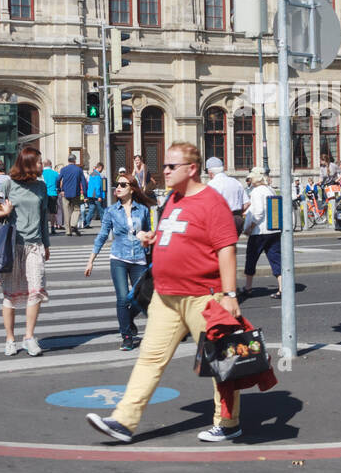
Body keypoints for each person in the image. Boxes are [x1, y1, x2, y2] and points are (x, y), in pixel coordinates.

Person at [86, 142, 243, 444]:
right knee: (149, 358)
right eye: (166, 165)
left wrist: (229, 293)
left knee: (220, 362)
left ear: (192, 169)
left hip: (204, 297)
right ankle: (123, 421)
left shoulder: (213, 202)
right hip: (166, 296)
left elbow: (226, 249)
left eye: (172, 166)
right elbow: (173, 231)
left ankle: (228, 422)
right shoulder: (173, 198)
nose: (165, 171)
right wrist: (153, 239)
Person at [0, 146, 51, 357]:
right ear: (28, 163)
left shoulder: (41, 187)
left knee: (37, 290)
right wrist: (3, 211)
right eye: (39, 162)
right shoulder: (8, 184)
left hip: (35, 245)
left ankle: (29, 337)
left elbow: (43, 219)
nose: (42, 165)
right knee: (10, 295)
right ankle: (9, 339)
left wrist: (47, 244)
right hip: (12, 245)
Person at [84, 173, 156, 350]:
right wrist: (91, 260)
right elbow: (102, 236)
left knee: (142, 298)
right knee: (123, 298)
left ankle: (128, 319)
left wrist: (152, 254)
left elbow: (148, 233)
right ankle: (126, 336)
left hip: (139, 258)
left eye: (123, 185)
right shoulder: (110, 211)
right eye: (117, 184)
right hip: (119, 258)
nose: (118, 187)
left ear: (131, 188)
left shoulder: (143, 210)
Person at [242, 169, 282, 298]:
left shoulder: (257, 191)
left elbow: (258, 212)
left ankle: (248, 288)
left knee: (251, 258)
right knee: (275, 258)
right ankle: (282, 288)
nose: (250, 181)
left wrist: (250, 227)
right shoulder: (270, 189)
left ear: (257, 178)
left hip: (259, 231)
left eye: (251, 178)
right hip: (273, 229)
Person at [205, 157, 249, 235]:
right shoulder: (236, 182)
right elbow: (247, 203)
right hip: (237, 219)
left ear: (210, 172)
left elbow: (208, 207)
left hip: (221, 220)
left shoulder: (212, 184)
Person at [58, 153, 87, 236]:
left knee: (66, 211)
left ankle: (68, 231)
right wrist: (85, 194)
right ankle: (73, 224)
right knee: (77, 209)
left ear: (68, 160)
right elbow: (83, 182)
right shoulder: (79, 170)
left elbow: (58, 179)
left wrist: (59, 189)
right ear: (75, 160)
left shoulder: (63, 169)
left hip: (65, 193)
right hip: (76, 193)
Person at [42, 159, 62, 234]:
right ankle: (52, 227)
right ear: (50, 164)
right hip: (53, 194)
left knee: (43, 212)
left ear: (43, 164)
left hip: (43, 194)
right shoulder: (55, 173)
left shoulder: (41, 173)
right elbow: (59, 183)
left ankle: (44, 227)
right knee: (52, 212)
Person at [82, 162, 105, 228]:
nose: (102, 170)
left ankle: (86, 223)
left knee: (91, 209)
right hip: (96, 195)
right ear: (100, 167)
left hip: (90, 195)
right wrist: (99, 196)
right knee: (101, 210)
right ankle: (104, 224)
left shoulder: (91, 174)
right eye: (102, 169)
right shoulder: (97, 175)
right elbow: (97, 186)